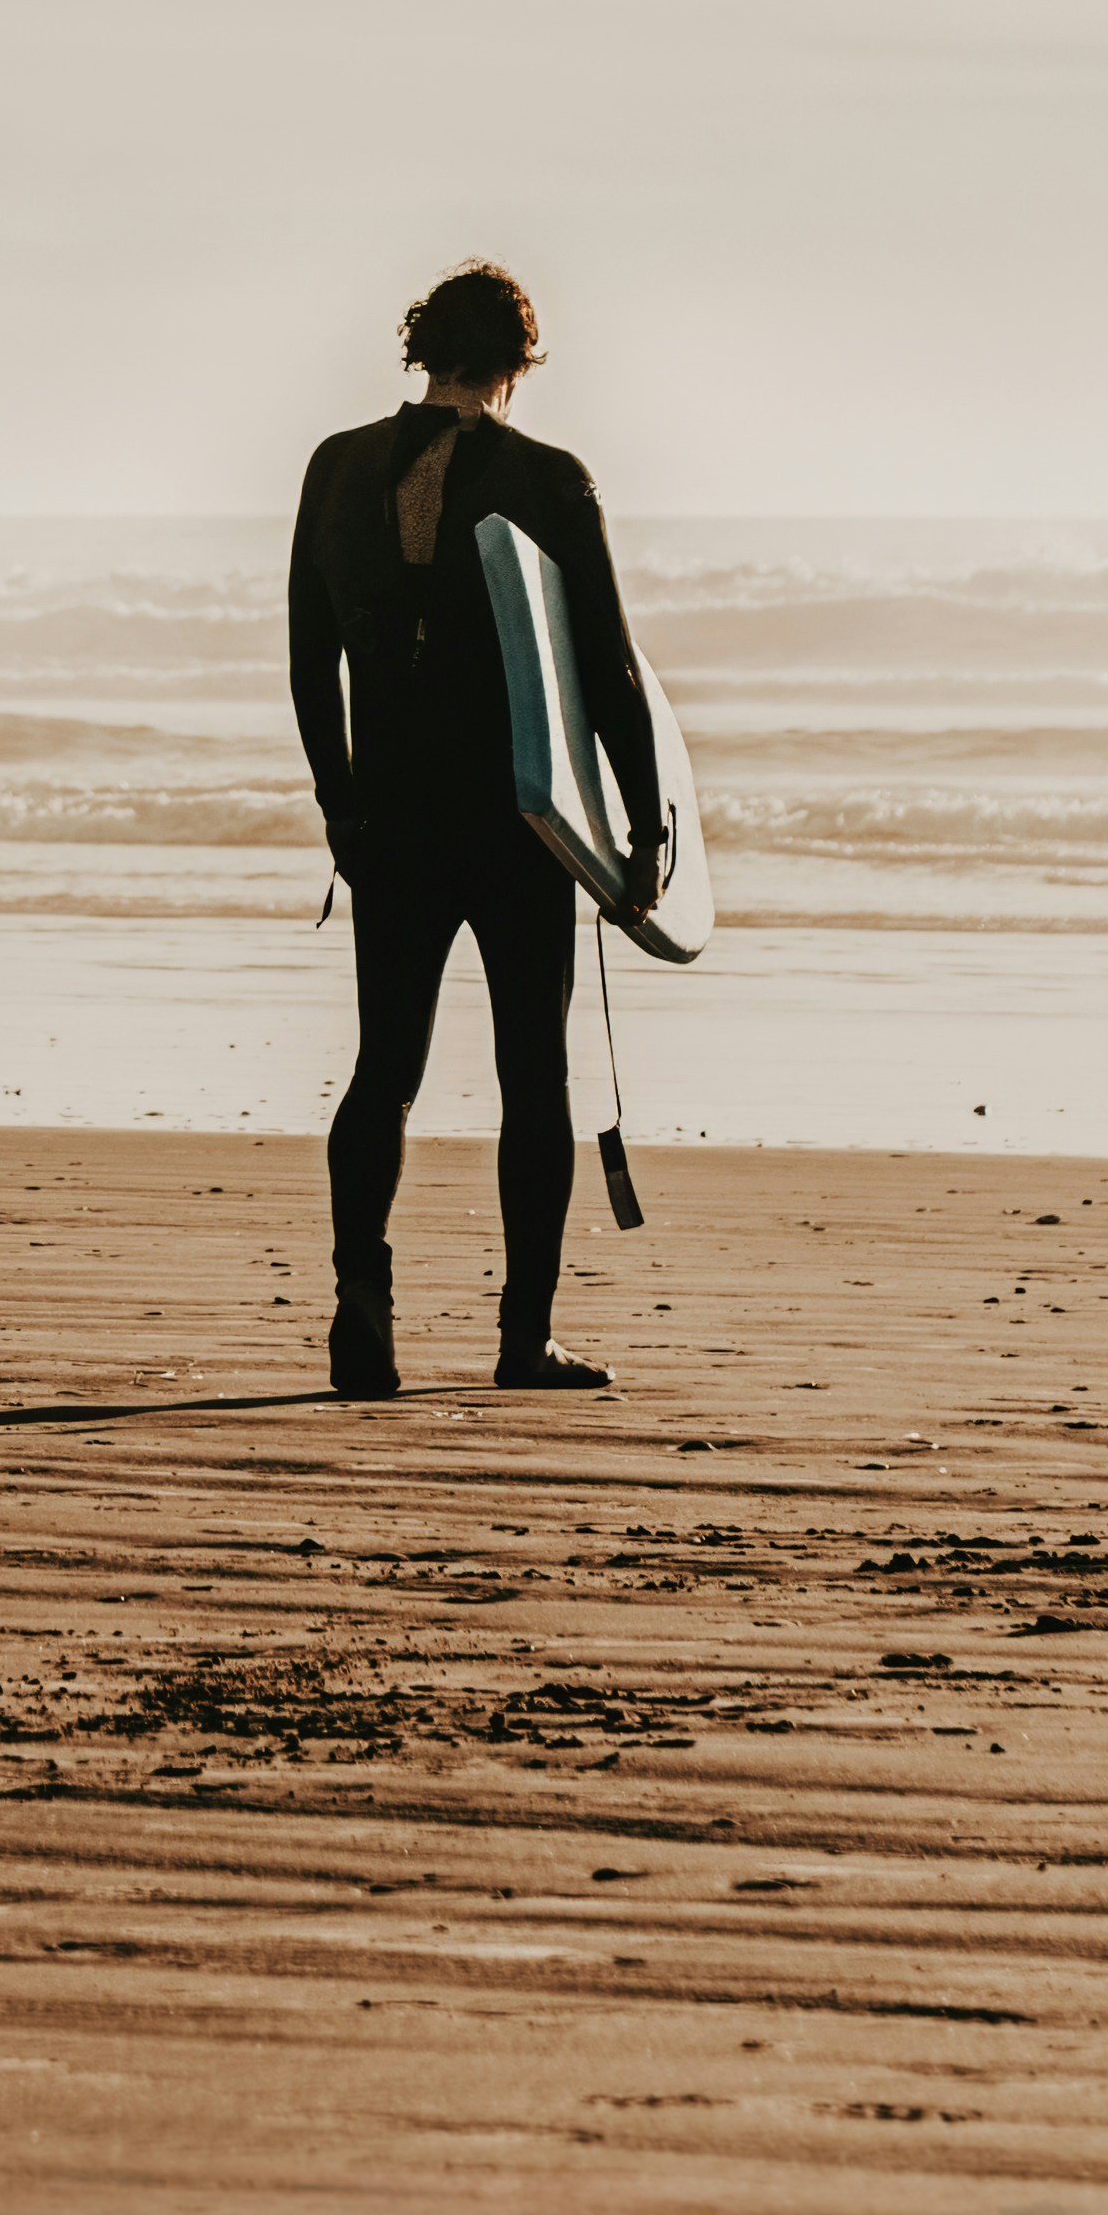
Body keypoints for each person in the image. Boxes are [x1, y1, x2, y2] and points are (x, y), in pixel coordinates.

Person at [287, 261, 663, 1404]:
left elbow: (309, 657)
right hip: (515, 824)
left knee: (382, 1070)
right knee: (532, 1078)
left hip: (390, 819)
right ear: (516, 363)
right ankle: (521, 1339)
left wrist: (339, 806)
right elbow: (603, 665)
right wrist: (642, 830)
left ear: (422, 350)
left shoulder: (336, 466)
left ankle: (361, 1314)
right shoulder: (549, 478)